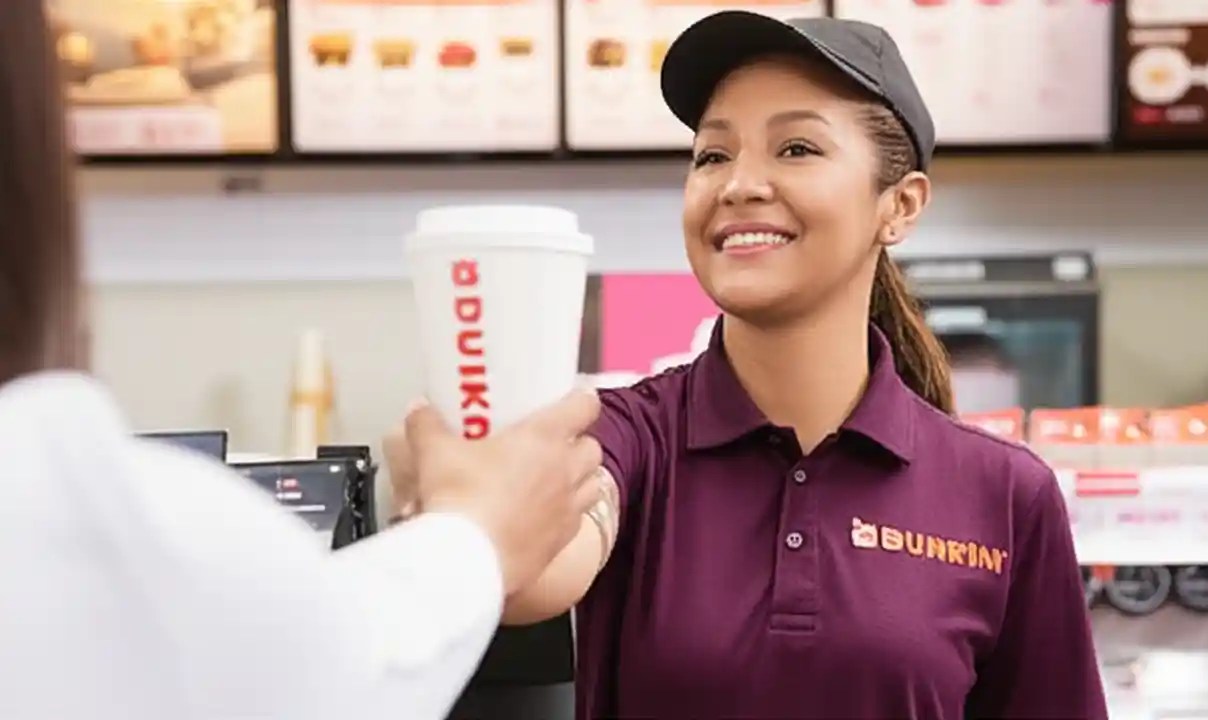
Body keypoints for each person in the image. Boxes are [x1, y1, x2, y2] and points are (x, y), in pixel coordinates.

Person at [391, 10, 1108, 719]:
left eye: (796, 148)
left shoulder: (1005, 497)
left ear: (900, 204)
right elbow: (543, 565)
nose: (739, 184)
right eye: (712, 155)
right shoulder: (632, 437)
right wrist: (467, 507)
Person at [0, 4, 603, 719]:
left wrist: (475, 526)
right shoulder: (122, 536)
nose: (739, 188)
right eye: (711, 154)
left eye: (780, 147)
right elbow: (338, 662)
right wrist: (480, 528)